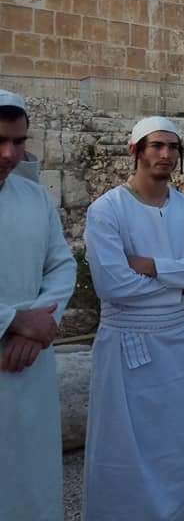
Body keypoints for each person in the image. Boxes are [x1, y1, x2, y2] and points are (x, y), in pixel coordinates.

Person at [83, 117, 184, 521]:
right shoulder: (106, 210)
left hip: (177, 341)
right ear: (136, 151)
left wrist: (151, 266)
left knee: (172, 444)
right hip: (125, 344)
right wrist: (181, 283)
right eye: (157, 146)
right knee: (121, 447)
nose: (166, 154)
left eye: (172, 147)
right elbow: (113, 285)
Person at [0, 89, 76, 521]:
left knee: (30, 485)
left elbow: (61, 265)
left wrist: (40, 325)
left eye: (19, 141)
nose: (10, 154)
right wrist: (14, 320)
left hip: (29, 370)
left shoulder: (33, 198)